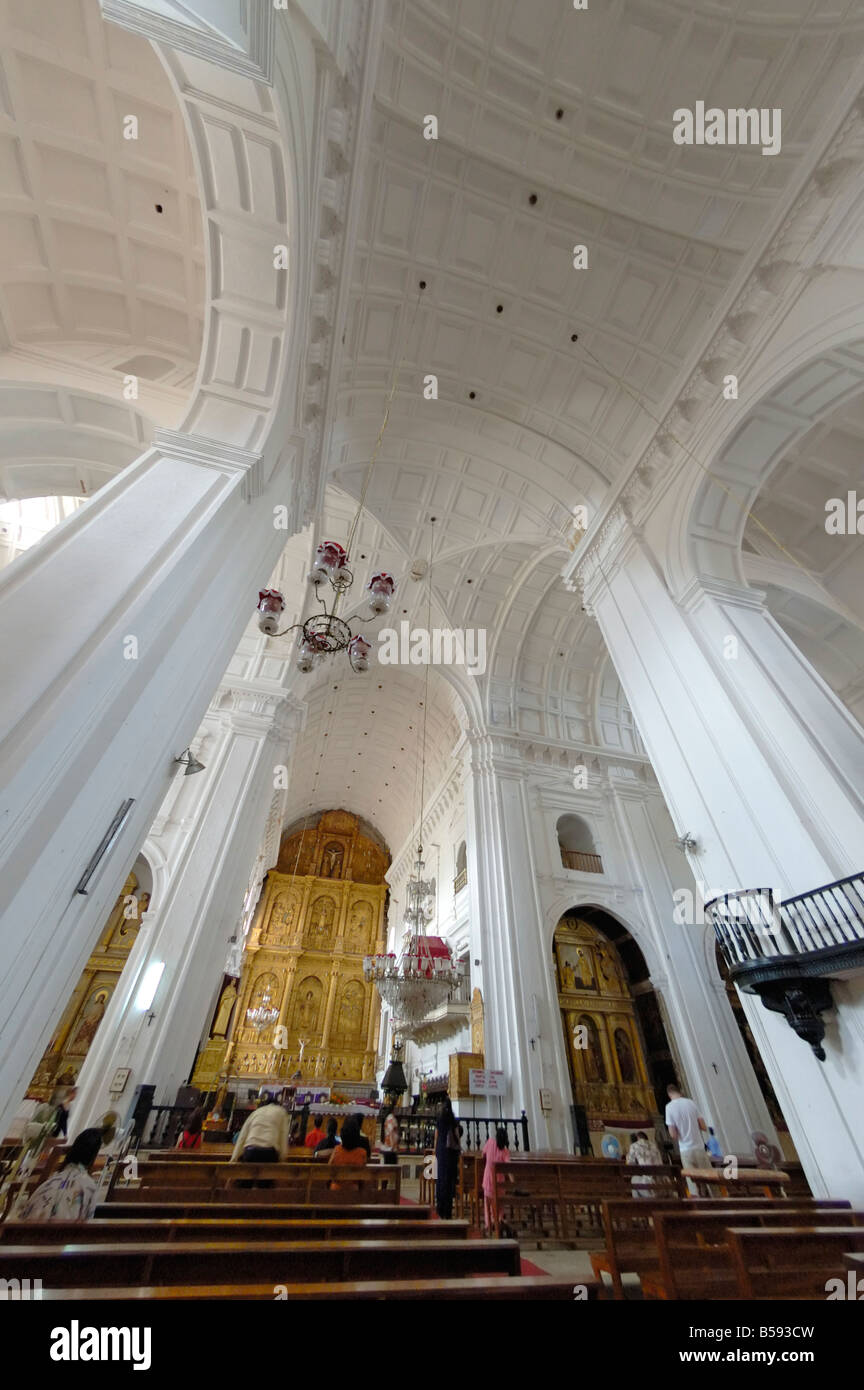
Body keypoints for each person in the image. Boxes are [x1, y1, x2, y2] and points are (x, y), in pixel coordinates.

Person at [18, 1129, 103, 1222]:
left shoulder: (48, 1184)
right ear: (94, 1156)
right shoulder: (89, 1187)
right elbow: (86, 1221)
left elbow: (24, 1218)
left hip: (29, 1230)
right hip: (66, 1231)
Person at [665, 1084, 711, 1187]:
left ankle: (697, 1196)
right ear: (680, 1092)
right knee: (709, 1180)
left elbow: (673, 1135)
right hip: (699, 1147)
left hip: (685, 1150)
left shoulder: (669, 1108)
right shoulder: (691, 1103)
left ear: (669, 1095)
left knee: (693, 1184)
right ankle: (714, 1196)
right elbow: (703, 1126)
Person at [229, 1094, 290, 1164]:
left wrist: (234, 1158)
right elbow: (283, 1135)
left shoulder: (256, 1112)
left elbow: (242, 1135)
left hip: (250, 1151)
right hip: (269, 1153)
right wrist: (282, 1158)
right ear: (278, 1104)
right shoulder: (281, 1111)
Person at [434, 1096, 461, 1219]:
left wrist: (435, 1151)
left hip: (441, 1152)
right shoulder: (453, 1120)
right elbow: (457, 1136)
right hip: (451, 1154)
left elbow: (436, 1137)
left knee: (440, 1180)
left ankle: (440, 1208)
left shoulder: (439, 1119)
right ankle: (448, 1210)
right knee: (450, 1181)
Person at [481, 1126, 511, 1231]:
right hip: (500, 1184)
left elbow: (483, 1154)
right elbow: (509, 1168)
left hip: (488, 1181)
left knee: (488, 1204)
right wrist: (513, 1182)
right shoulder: (505, 1151)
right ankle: (498, 1220)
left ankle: (489, 1223)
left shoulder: (490, 1142)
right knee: (499, 1205)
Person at [626, 1129, 664, 1196]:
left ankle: (639, 1202)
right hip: (664, 1184)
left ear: (637, 1138)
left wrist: (628, 1156)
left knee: (633, 1179)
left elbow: (630, 1165)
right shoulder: (654, 1145)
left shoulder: (634, 1145)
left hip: (650, 1187)